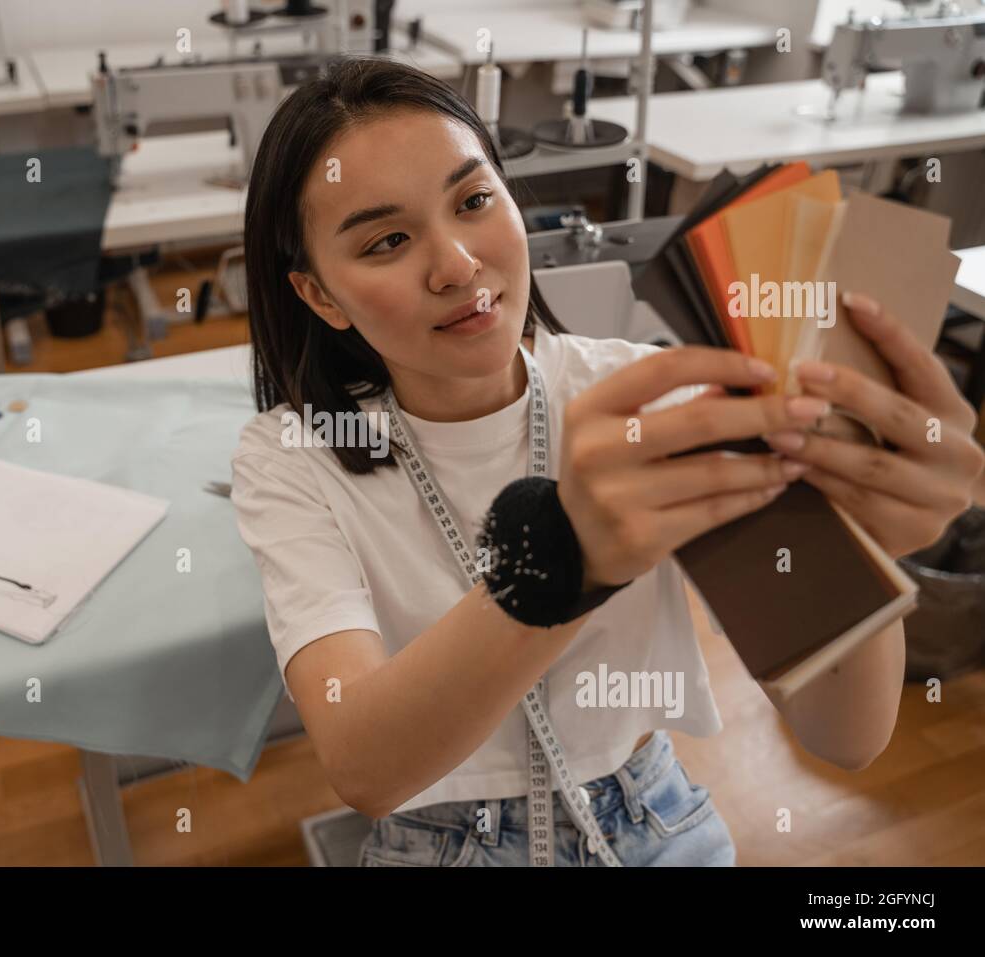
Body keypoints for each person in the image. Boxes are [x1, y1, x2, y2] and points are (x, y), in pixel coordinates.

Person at [229, 57, 985, 866]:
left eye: (475, 200)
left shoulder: (641, 398)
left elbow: (846, 734)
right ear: (320, 296)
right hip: (438, 842)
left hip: (652, 816)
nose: (455, 265)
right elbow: (364, 767)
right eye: (386, 241)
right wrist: (566, 561)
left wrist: (859, 536)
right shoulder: (292, 458)